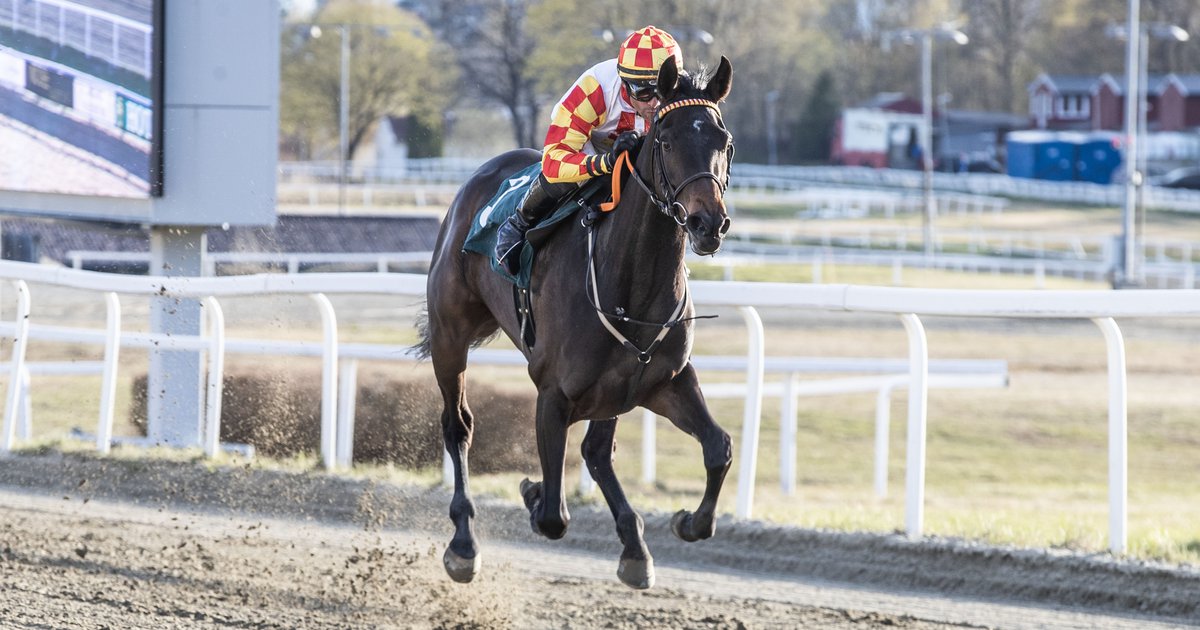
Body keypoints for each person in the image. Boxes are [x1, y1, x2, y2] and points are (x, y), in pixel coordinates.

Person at [493, 25, 683, 273]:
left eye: (662, 90)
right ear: (624, 84)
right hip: (589, 145)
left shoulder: (681, 94)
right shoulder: (595, 88)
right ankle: (518, 223)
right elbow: (553, 164)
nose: (655, 103)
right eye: (644, 92)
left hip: (640, 146)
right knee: (571, 178)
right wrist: (605, 161)